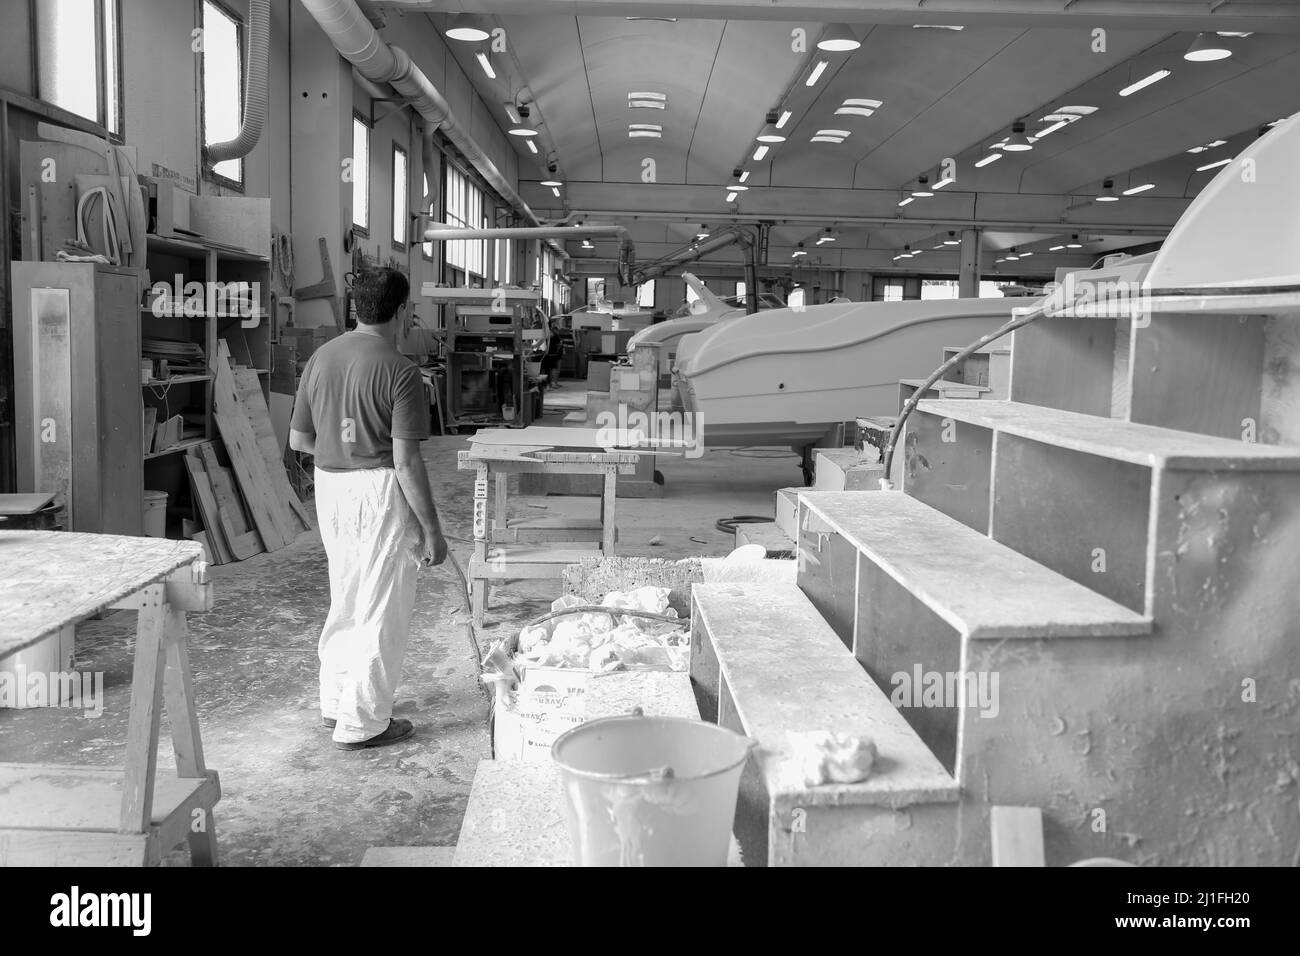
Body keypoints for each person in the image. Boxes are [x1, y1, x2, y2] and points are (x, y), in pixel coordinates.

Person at [289, 267, 448, 751]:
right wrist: (432, 530)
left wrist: (343, 452)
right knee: (383, 604)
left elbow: (299, 438)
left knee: (348, 594)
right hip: (378, 488)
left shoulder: (321, 357)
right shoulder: (400, 370)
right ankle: (364, 722)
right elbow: (404, 460)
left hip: (331, 486)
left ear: (355, 306)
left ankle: (336, 702)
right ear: (401, 311)